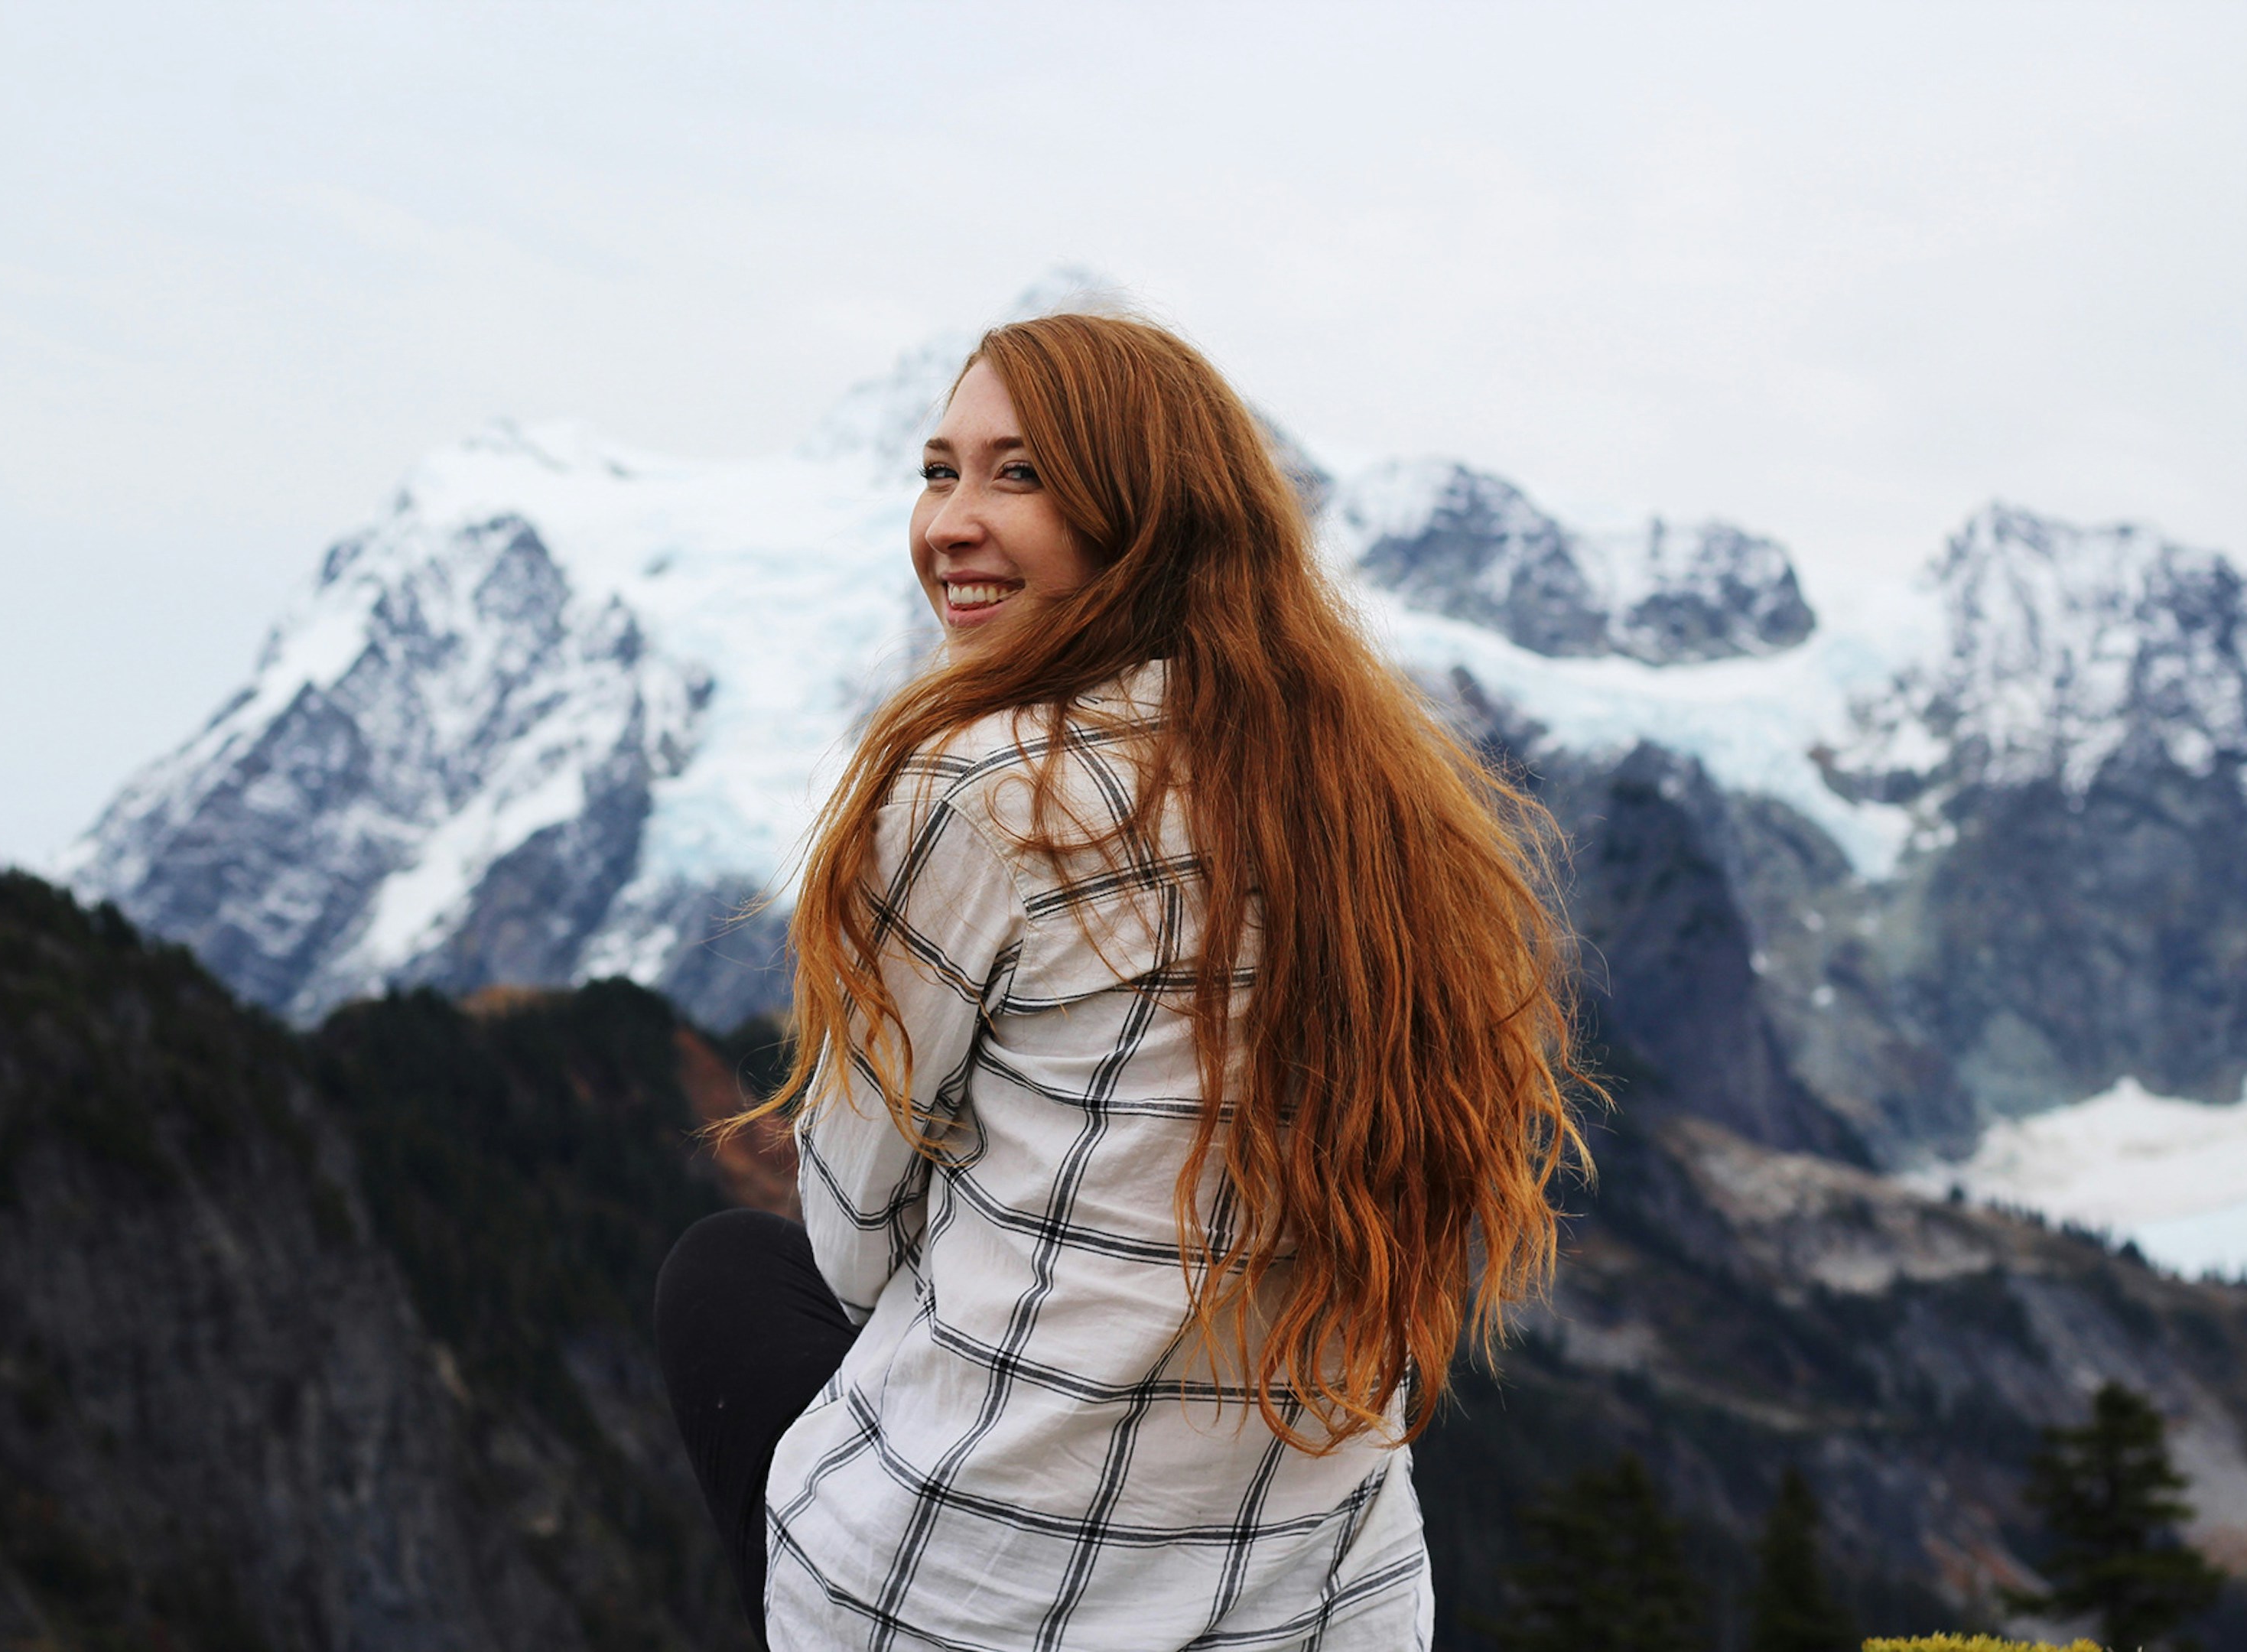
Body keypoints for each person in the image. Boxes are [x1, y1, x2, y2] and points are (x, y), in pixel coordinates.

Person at [655, 311, 1590, 1650]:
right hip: (1328, 1605)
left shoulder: (983, 785)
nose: (952, 523)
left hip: (985, 1607)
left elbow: (853, 1238)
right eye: (939, 471)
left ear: (1145, 515)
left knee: (726, 1274)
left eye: (1018, 475)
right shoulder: (1386, 804)